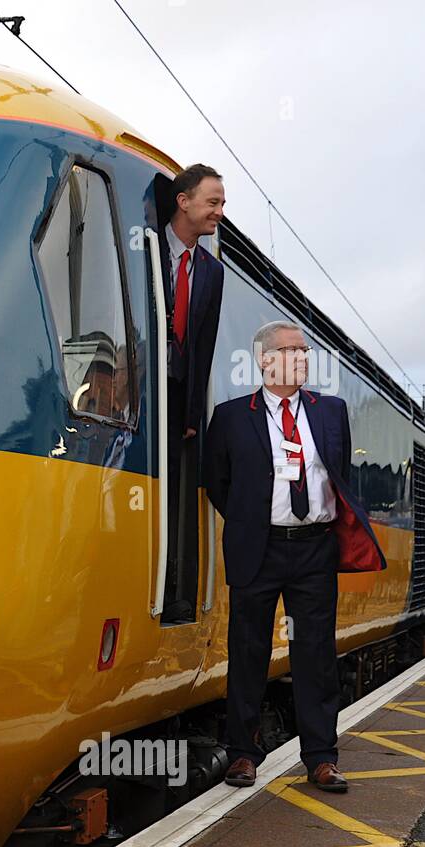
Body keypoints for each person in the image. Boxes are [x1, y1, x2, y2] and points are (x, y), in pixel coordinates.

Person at [202, 321, 386, 793]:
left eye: (305, 351)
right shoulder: (229, 417)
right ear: (264, 359)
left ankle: (321, 758)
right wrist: (252, 520)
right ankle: (243, 754)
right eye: (290, 350)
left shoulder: (331, 412)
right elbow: (219, 483)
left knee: (315, 654)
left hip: (313, 550)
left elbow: (337, 475)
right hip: (257, 550)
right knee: (248, 653)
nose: (302, 358)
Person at [162, 163, 226, 624]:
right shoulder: (141, 244)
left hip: (179, 396)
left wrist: (191, 416)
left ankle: (175, 589)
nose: (219, 213)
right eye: (213, 202)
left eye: (221, 204)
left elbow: (202, 348)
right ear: (183, 201)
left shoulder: (211, 272)